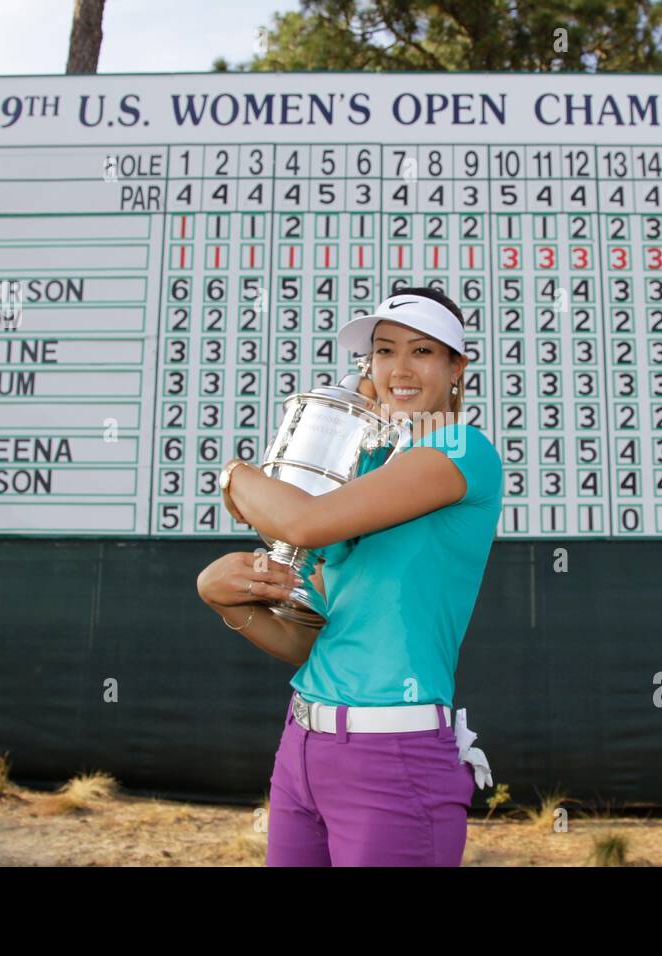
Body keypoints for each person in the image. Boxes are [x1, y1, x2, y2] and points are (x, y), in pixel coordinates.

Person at [196, 286, 504, 866]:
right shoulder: (364, 468)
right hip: (303, 745)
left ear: (457, 367)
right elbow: (309, 638)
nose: (398, 369)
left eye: (422, 352)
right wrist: (227, 604)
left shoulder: (462, 450)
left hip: (395, 755)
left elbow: (304, 521)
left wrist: (234, 474)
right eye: (384, 353)